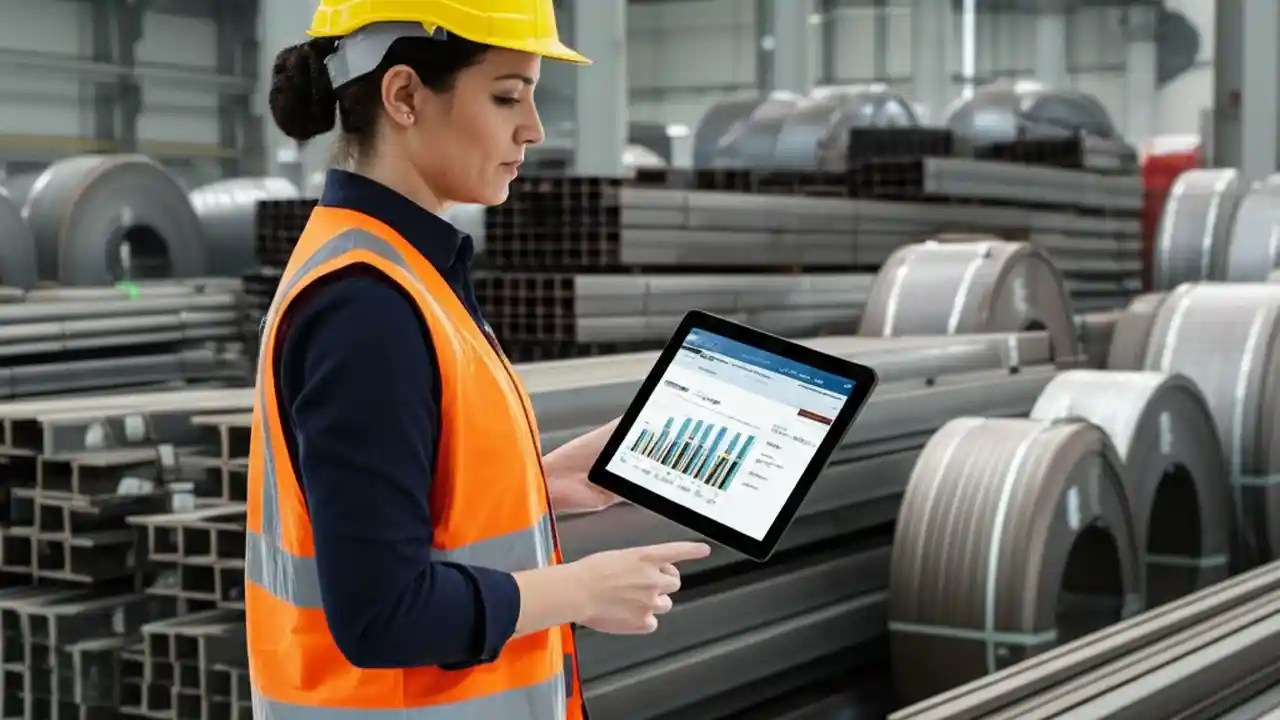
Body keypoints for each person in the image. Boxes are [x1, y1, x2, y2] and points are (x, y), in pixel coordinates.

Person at [243, 2, 712, 718]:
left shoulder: (399, 271)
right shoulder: (367, 308)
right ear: (403, 96)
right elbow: (382, 613)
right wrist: (580, 590)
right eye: (506, 95)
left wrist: (546, 484)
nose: (534, 128)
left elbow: (402, 501)